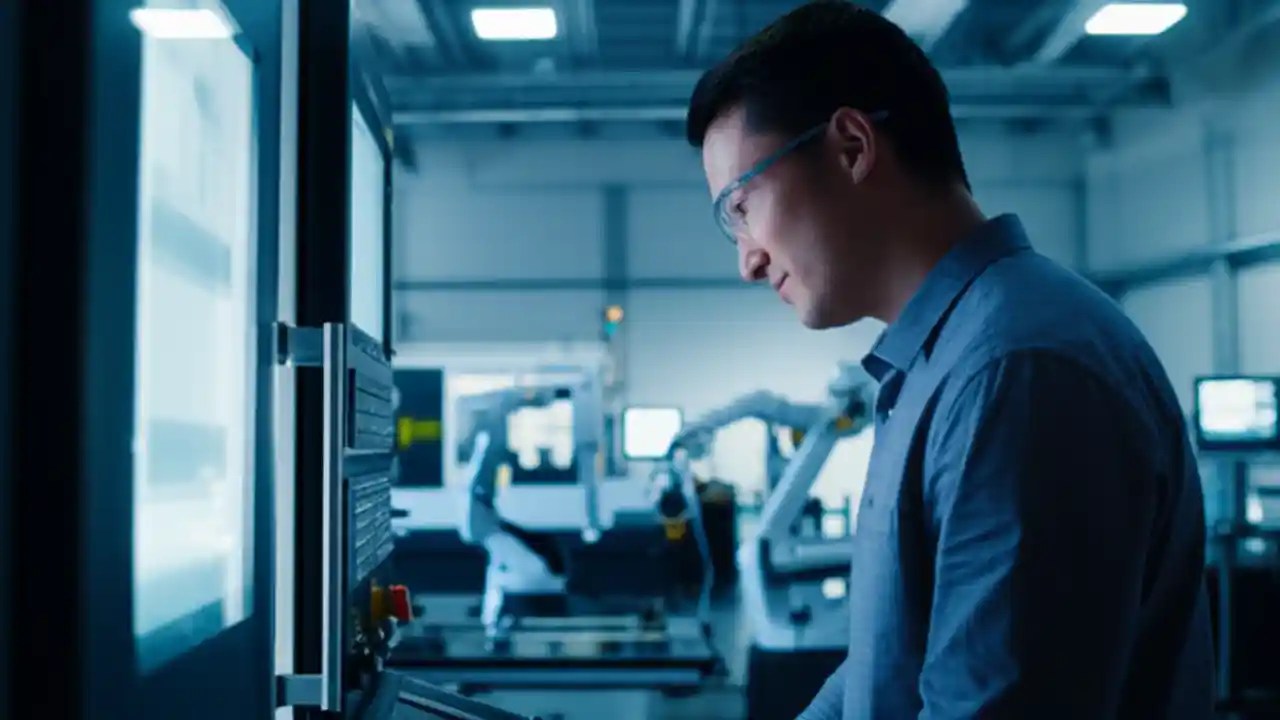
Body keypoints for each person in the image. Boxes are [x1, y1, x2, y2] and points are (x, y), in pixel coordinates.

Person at [684, 2, 1215, 718]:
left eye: (743, 207)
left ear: (850, 147)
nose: (747, 260)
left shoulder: (1015, 369)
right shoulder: (942, 363)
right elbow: (883, 670)